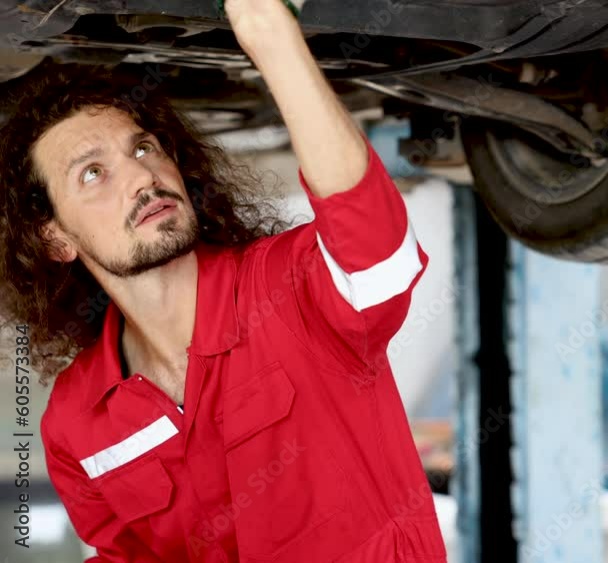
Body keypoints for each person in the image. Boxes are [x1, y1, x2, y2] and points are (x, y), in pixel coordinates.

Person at [0, 0, 447, 560]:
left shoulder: (289, 288)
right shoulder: (76, 421)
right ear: (55, 239)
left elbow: (378, 251)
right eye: (93, 173)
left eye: (143, 147)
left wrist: (273, 38)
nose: (141, 175)